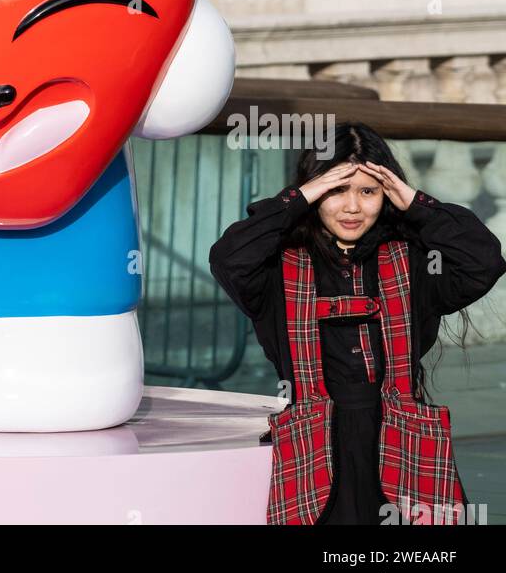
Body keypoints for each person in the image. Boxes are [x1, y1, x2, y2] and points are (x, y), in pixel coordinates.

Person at [209, 123, 506, 525]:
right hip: (313, 455)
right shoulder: (278, 269)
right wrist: (298, 198)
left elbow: (483, 260)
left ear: (387, 194)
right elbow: (230, 258)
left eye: (368, 191)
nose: (352, 207)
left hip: (404, 449)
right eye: (337, 190)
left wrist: (418, 205)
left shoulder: (412, 261)